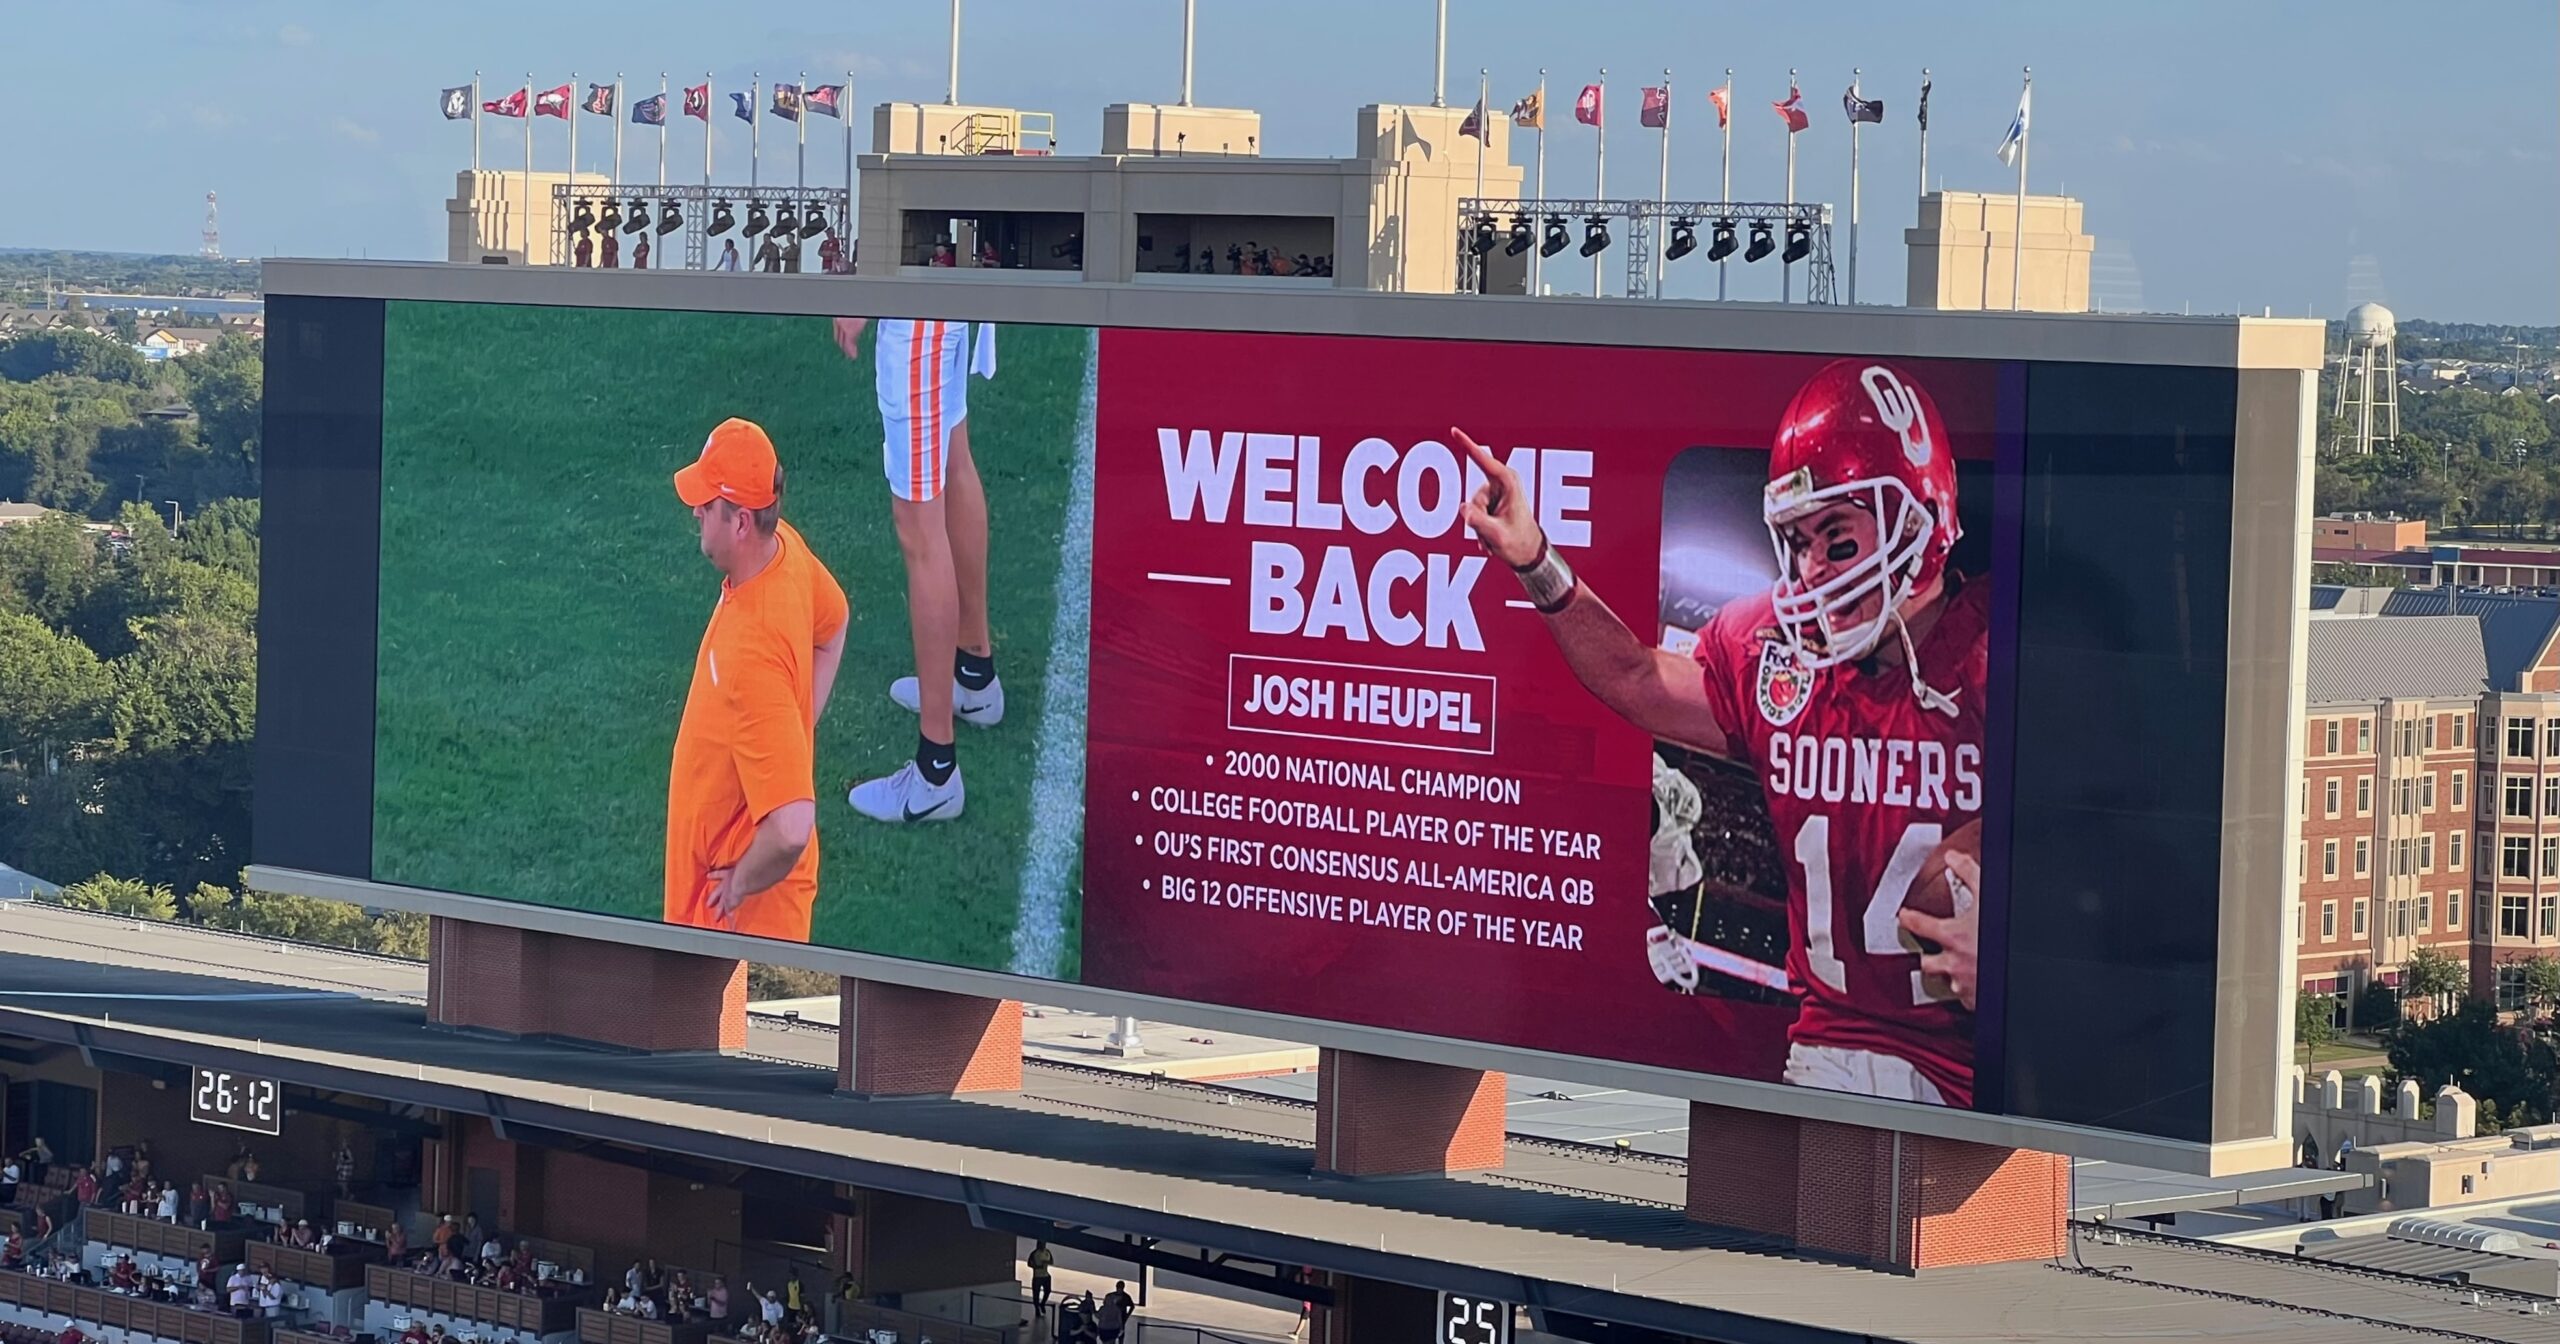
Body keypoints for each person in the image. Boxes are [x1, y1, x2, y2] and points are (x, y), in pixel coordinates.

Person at [1453, 359, 1987, 1107]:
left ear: (1916, 517)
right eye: (1798, 544)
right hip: (1825, 1046)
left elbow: (2131, 843)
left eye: (1836, 541)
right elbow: (1638, 678)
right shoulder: (1768, 648)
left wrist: (2028, 962)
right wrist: (1538, 563)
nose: (1811, 573)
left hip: (1971, 1069)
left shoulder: (2005, 657)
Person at [664, 418, 849, 943]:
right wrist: (797, 730)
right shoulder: (785, 552)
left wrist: (741, 882)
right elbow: (834, 628)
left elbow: (791, 827)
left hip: (737, 926)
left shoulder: (752, 651)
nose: (696, 511)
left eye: (706, 505)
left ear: (742, 522)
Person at [831, 317, 1004, 824]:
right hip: (941, 299)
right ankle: (975, 677)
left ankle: (936, 775)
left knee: (919, 525)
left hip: (917, 318)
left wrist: (869, 292)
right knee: (954, 456)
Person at [1026, 1241, 1053, 1313]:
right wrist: (1037, 1267)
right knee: (1036, 1294)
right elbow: (1029, 1263)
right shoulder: (1034, 1253)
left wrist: (1046, 1263)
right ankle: (1037, 1309)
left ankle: (1042, 1304)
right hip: (1037, 1276)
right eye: (1042, 1244)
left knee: (1048, 1291)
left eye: (1044, 1244)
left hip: (1046, 1275)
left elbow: (1051, 1261)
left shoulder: (1047, 1252)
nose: (1043, 1246)